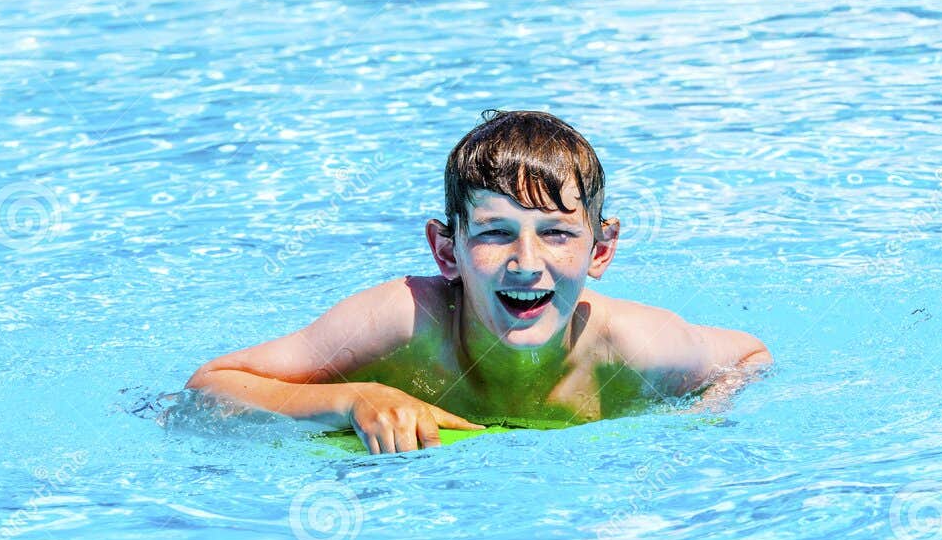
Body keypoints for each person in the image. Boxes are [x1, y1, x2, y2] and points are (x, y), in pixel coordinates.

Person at [185, 109, 770, 454]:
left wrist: (694, 426)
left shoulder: (633, 350)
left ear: (601, 249)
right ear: (448, 250)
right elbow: (207, 390)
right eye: (495, 233)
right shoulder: (406, 324)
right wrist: (352, 399)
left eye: (556, 233)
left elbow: (750, 357)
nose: (526, 262)